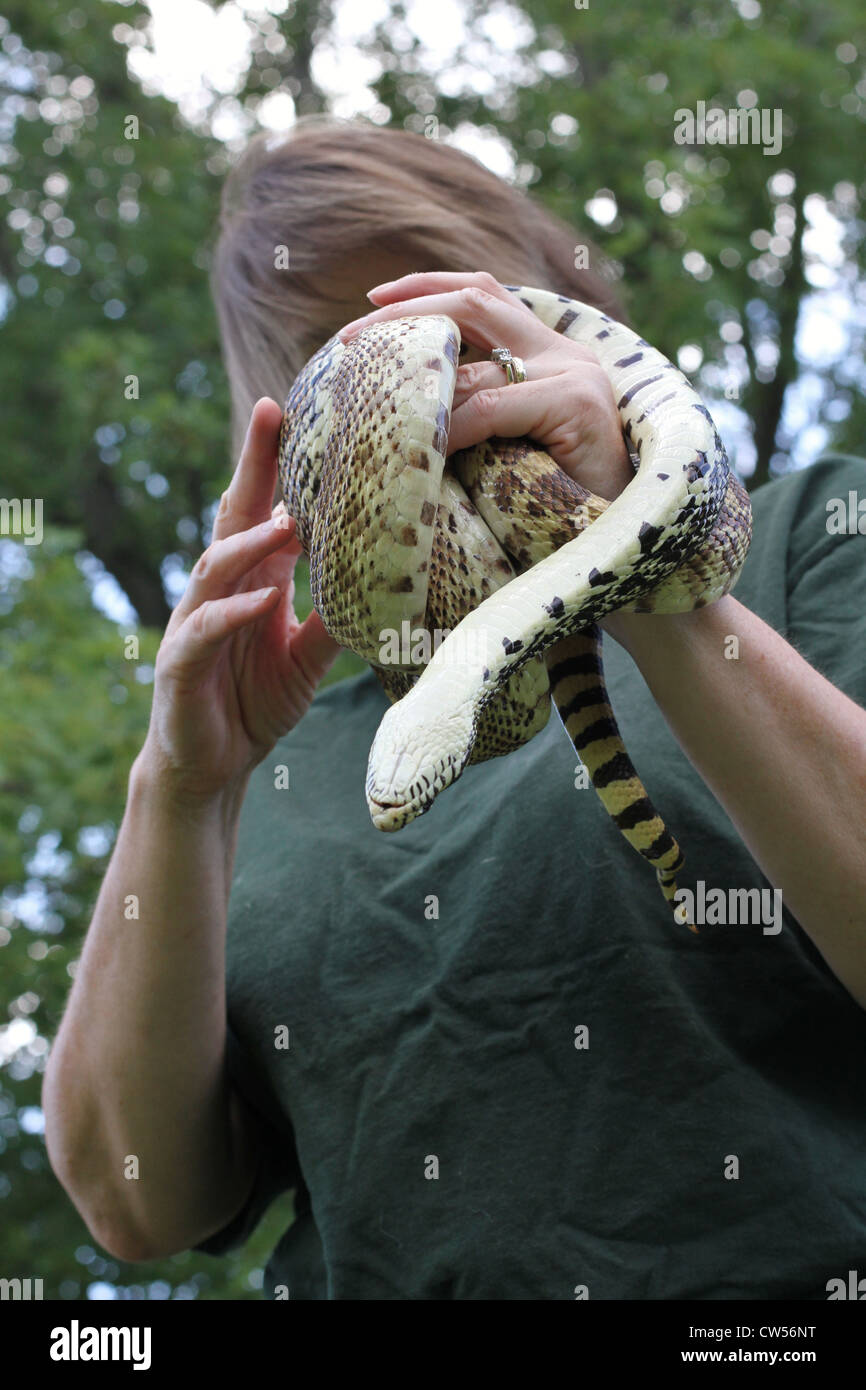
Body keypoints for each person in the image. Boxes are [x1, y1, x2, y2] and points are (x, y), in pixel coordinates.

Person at [43, 118, 866, 1301]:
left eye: (426, 313)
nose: (414, 381)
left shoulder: (798, 551)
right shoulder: (276, 748)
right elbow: (133, 1200)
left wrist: (622, 552)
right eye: (333, 352)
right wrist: (182, 790)